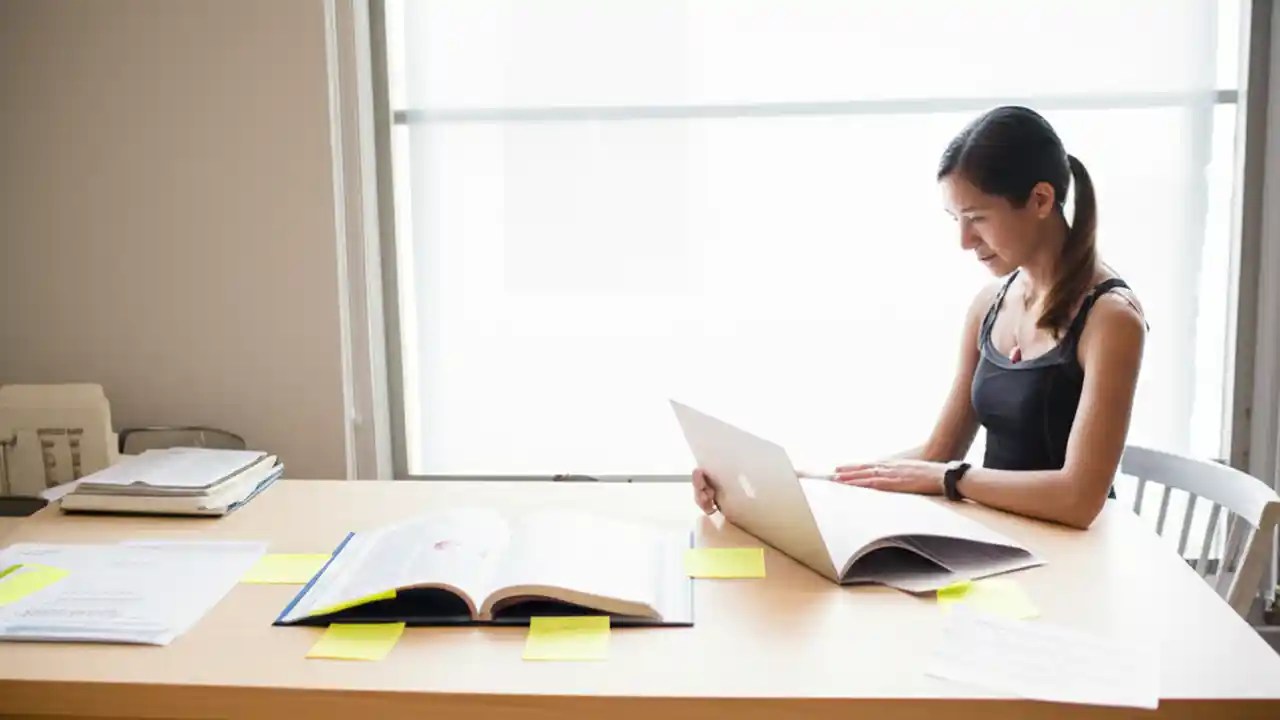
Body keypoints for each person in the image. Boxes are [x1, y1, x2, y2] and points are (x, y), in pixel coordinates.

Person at [692, 106, 1146, 530]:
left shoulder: (1110, 320)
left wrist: (951, 479)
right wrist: (807, 484)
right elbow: (936, 455)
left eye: (977, 218)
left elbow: (1079, 499)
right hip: (1004, 542)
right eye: (955, 219)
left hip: (1076, 562)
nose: (965, 241)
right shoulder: (990, 305)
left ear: (1042, 199)